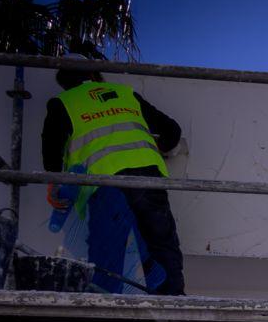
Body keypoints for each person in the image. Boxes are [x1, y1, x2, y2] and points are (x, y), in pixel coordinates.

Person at [41, 68, 186, 295]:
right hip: (147, 177)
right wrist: (161, 147)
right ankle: (173, 301)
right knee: (160, 240)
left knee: (108, 246)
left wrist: (53, 182)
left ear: (65, 84)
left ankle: (108, 307)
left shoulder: (64, 102)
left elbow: (52, 145)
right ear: (96, 76)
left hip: (104, 182)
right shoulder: (125, 93)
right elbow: (171, 130)